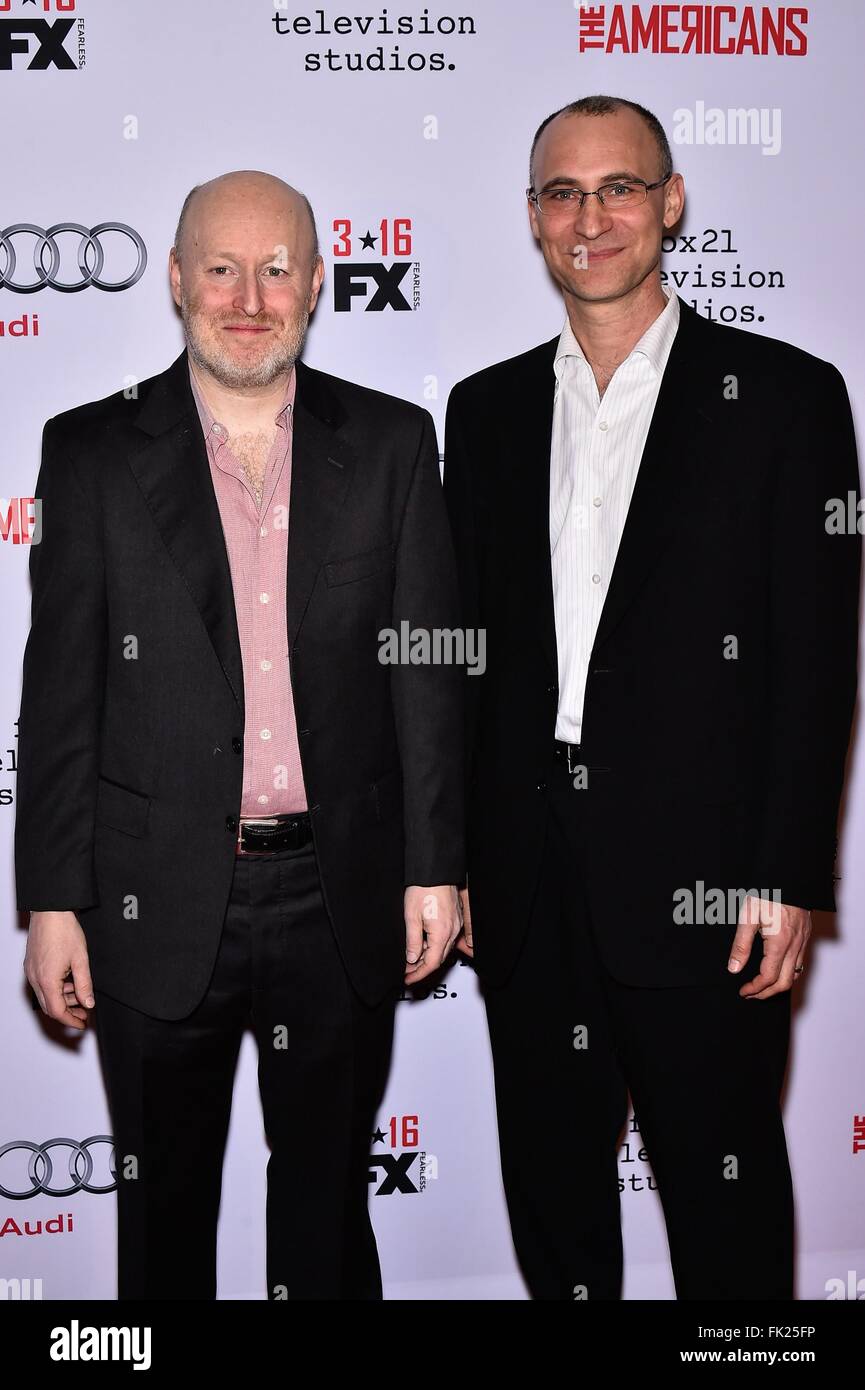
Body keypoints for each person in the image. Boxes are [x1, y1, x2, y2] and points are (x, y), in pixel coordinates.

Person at [16, 169, 464, 1301]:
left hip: (339, 895)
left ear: (318, 283)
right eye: (221, 267)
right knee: (162, 1216)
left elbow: (427, 675)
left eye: (276, 269)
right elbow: (60, 693)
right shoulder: (91, 453)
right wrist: (52, 900)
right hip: (149, 898)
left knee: (324, 1210)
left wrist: (435, 867)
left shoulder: (397, 443)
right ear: (176, 281)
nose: (249, 296)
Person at [443, 96, 860, 1300]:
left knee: (724, 1201)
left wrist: (786, 874)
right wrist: (458, 855)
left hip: (706, 874)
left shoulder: (783, 396)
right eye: (561, 194)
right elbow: (469, 656)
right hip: (526, 878)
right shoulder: (489, 410)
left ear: (670, 202)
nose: (591, 217)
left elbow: (814, 658)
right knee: (556, 1200)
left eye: (618, 187)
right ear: (532, 219)